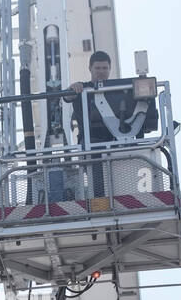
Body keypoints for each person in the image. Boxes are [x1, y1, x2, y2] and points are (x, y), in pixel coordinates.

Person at [64, 51, 157, 199]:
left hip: (117, 144)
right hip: (92, 145)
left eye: (104, 68)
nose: (101, 72)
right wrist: (73, 88)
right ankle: (99, 198)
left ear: (110, 69)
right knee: (98, 174)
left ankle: (135, 194)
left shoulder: (118, 91)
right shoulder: (84, 89)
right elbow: (67, 97)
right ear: (90, 69)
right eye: (97, 68)